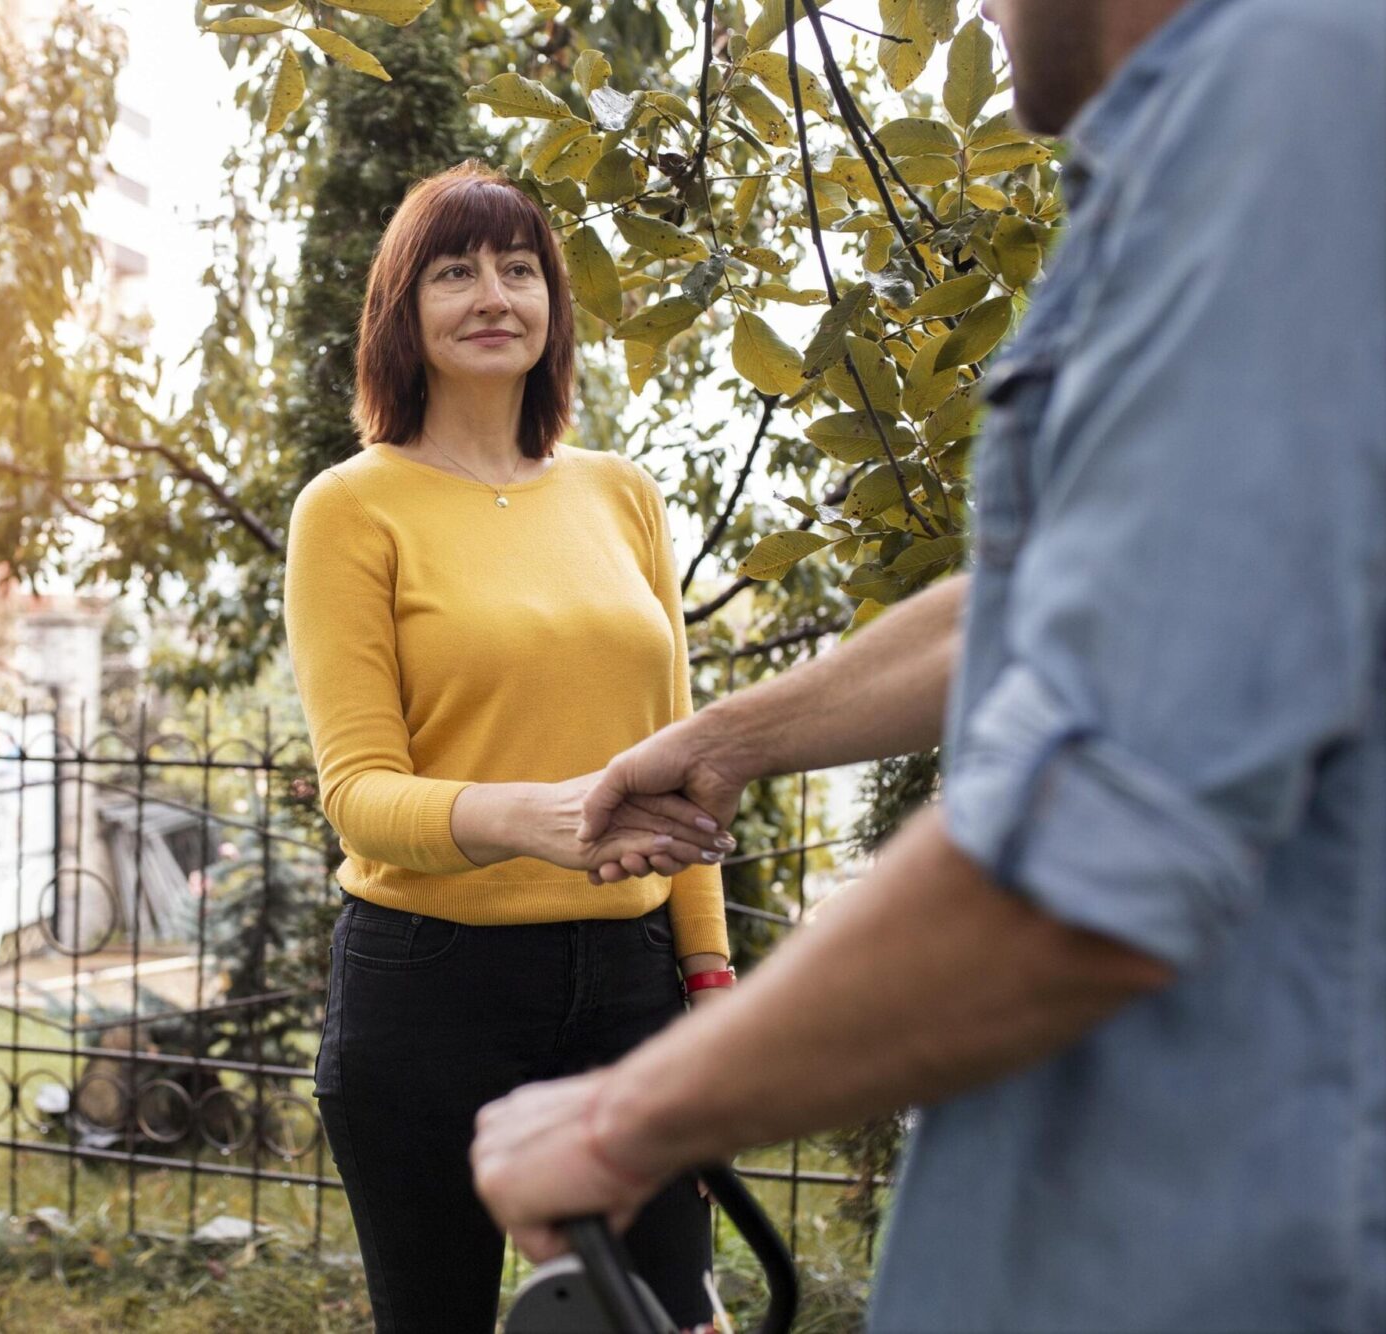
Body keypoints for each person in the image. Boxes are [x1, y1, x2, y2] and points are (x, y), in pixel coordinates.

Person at [470, 1, 1386, 1330]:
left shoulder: (1287, 90)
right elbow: (1062, 594)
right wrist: (731, 741)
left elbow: (1095, 841)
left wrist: (627, 1117)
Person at [284, 160, 737, 1332]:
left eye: (518, 268)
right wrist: (532, 816)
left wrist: (708, 988)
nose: (492, 293)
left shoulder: (620, 495)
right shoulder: (350, 507)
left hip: (632, 986)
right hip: (431, 989)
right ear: (405, 310)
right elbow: (361, 797)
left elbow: (676, 762)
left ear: (550, 304)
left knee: (664, 1320)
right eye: (454, 271)